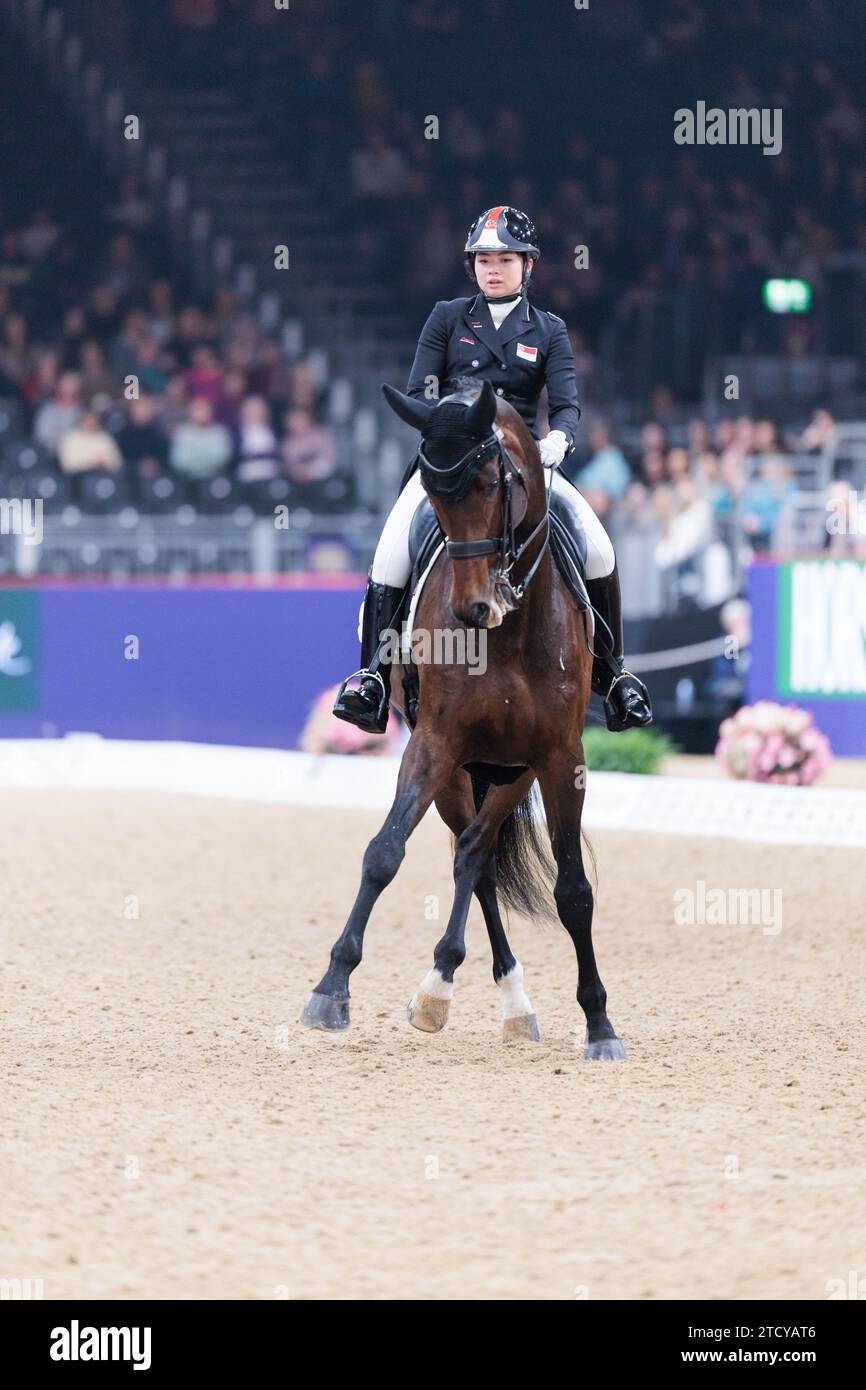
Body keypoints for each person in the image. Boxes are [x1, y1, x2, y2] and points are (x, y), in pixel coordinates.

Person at [332, 205, 652, 734]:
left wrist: (559, 438)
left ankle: (616, 676)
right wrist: (448, 428)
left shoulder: (549, 329)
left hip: (526, 463)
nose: (493, 268)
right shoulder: (447, 317)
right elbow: (419, 392)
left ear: (528, 266)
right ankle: (372, 679)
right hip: (460, 461)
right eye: (484, 259)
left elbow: (567, 402)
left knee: (598, 546)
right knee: (390, 552)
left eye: (505, 258)